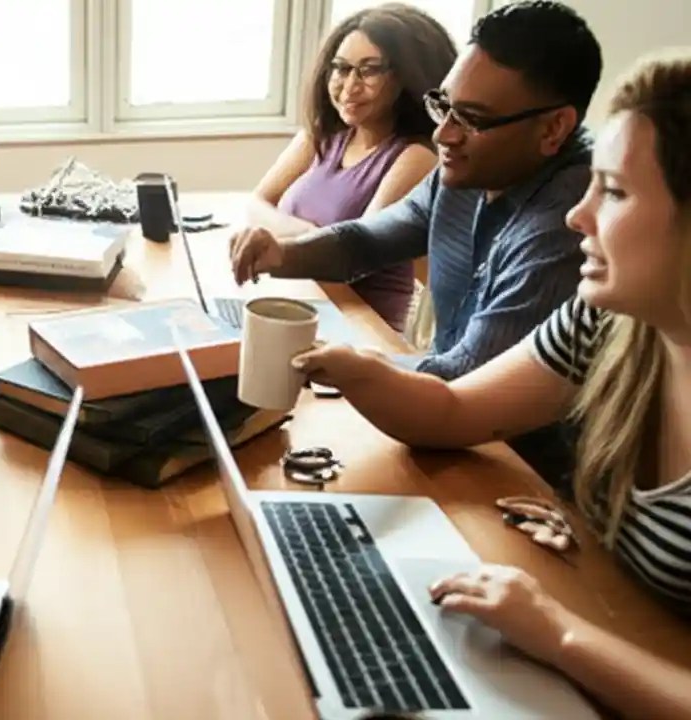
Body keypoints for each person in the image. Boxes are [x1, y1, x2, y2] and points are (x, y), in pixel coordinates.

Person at [294, 49, 691, 719]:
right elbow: (452, 411)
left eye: (616, 193)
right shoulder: (608, 323)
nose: (578, 216)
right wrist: (349, 367)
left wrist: (561, 634)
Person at [230, 0, 602, 484]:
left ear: (553, 128)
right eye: (442, 105)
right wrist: (281, 253)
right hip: (443, 429)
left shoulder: (567, 226)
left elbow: (466, 380)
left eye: (471, 118)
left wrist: (354, 370)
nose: (443, 133)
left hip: (521, 474)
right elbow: (367, 240)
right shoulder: (467, 170)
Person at [244, 3, 456, 332]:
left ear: (407, 77)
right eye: (341, 68)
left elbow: (356, 252)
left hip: (357, 325)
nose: (349, 86)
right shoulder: (321, 138)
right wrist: (311, 241)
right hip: (301, 301)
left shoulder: (415, 158)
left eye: (369, 70)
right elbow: (256, 204)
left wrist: (293, 244)